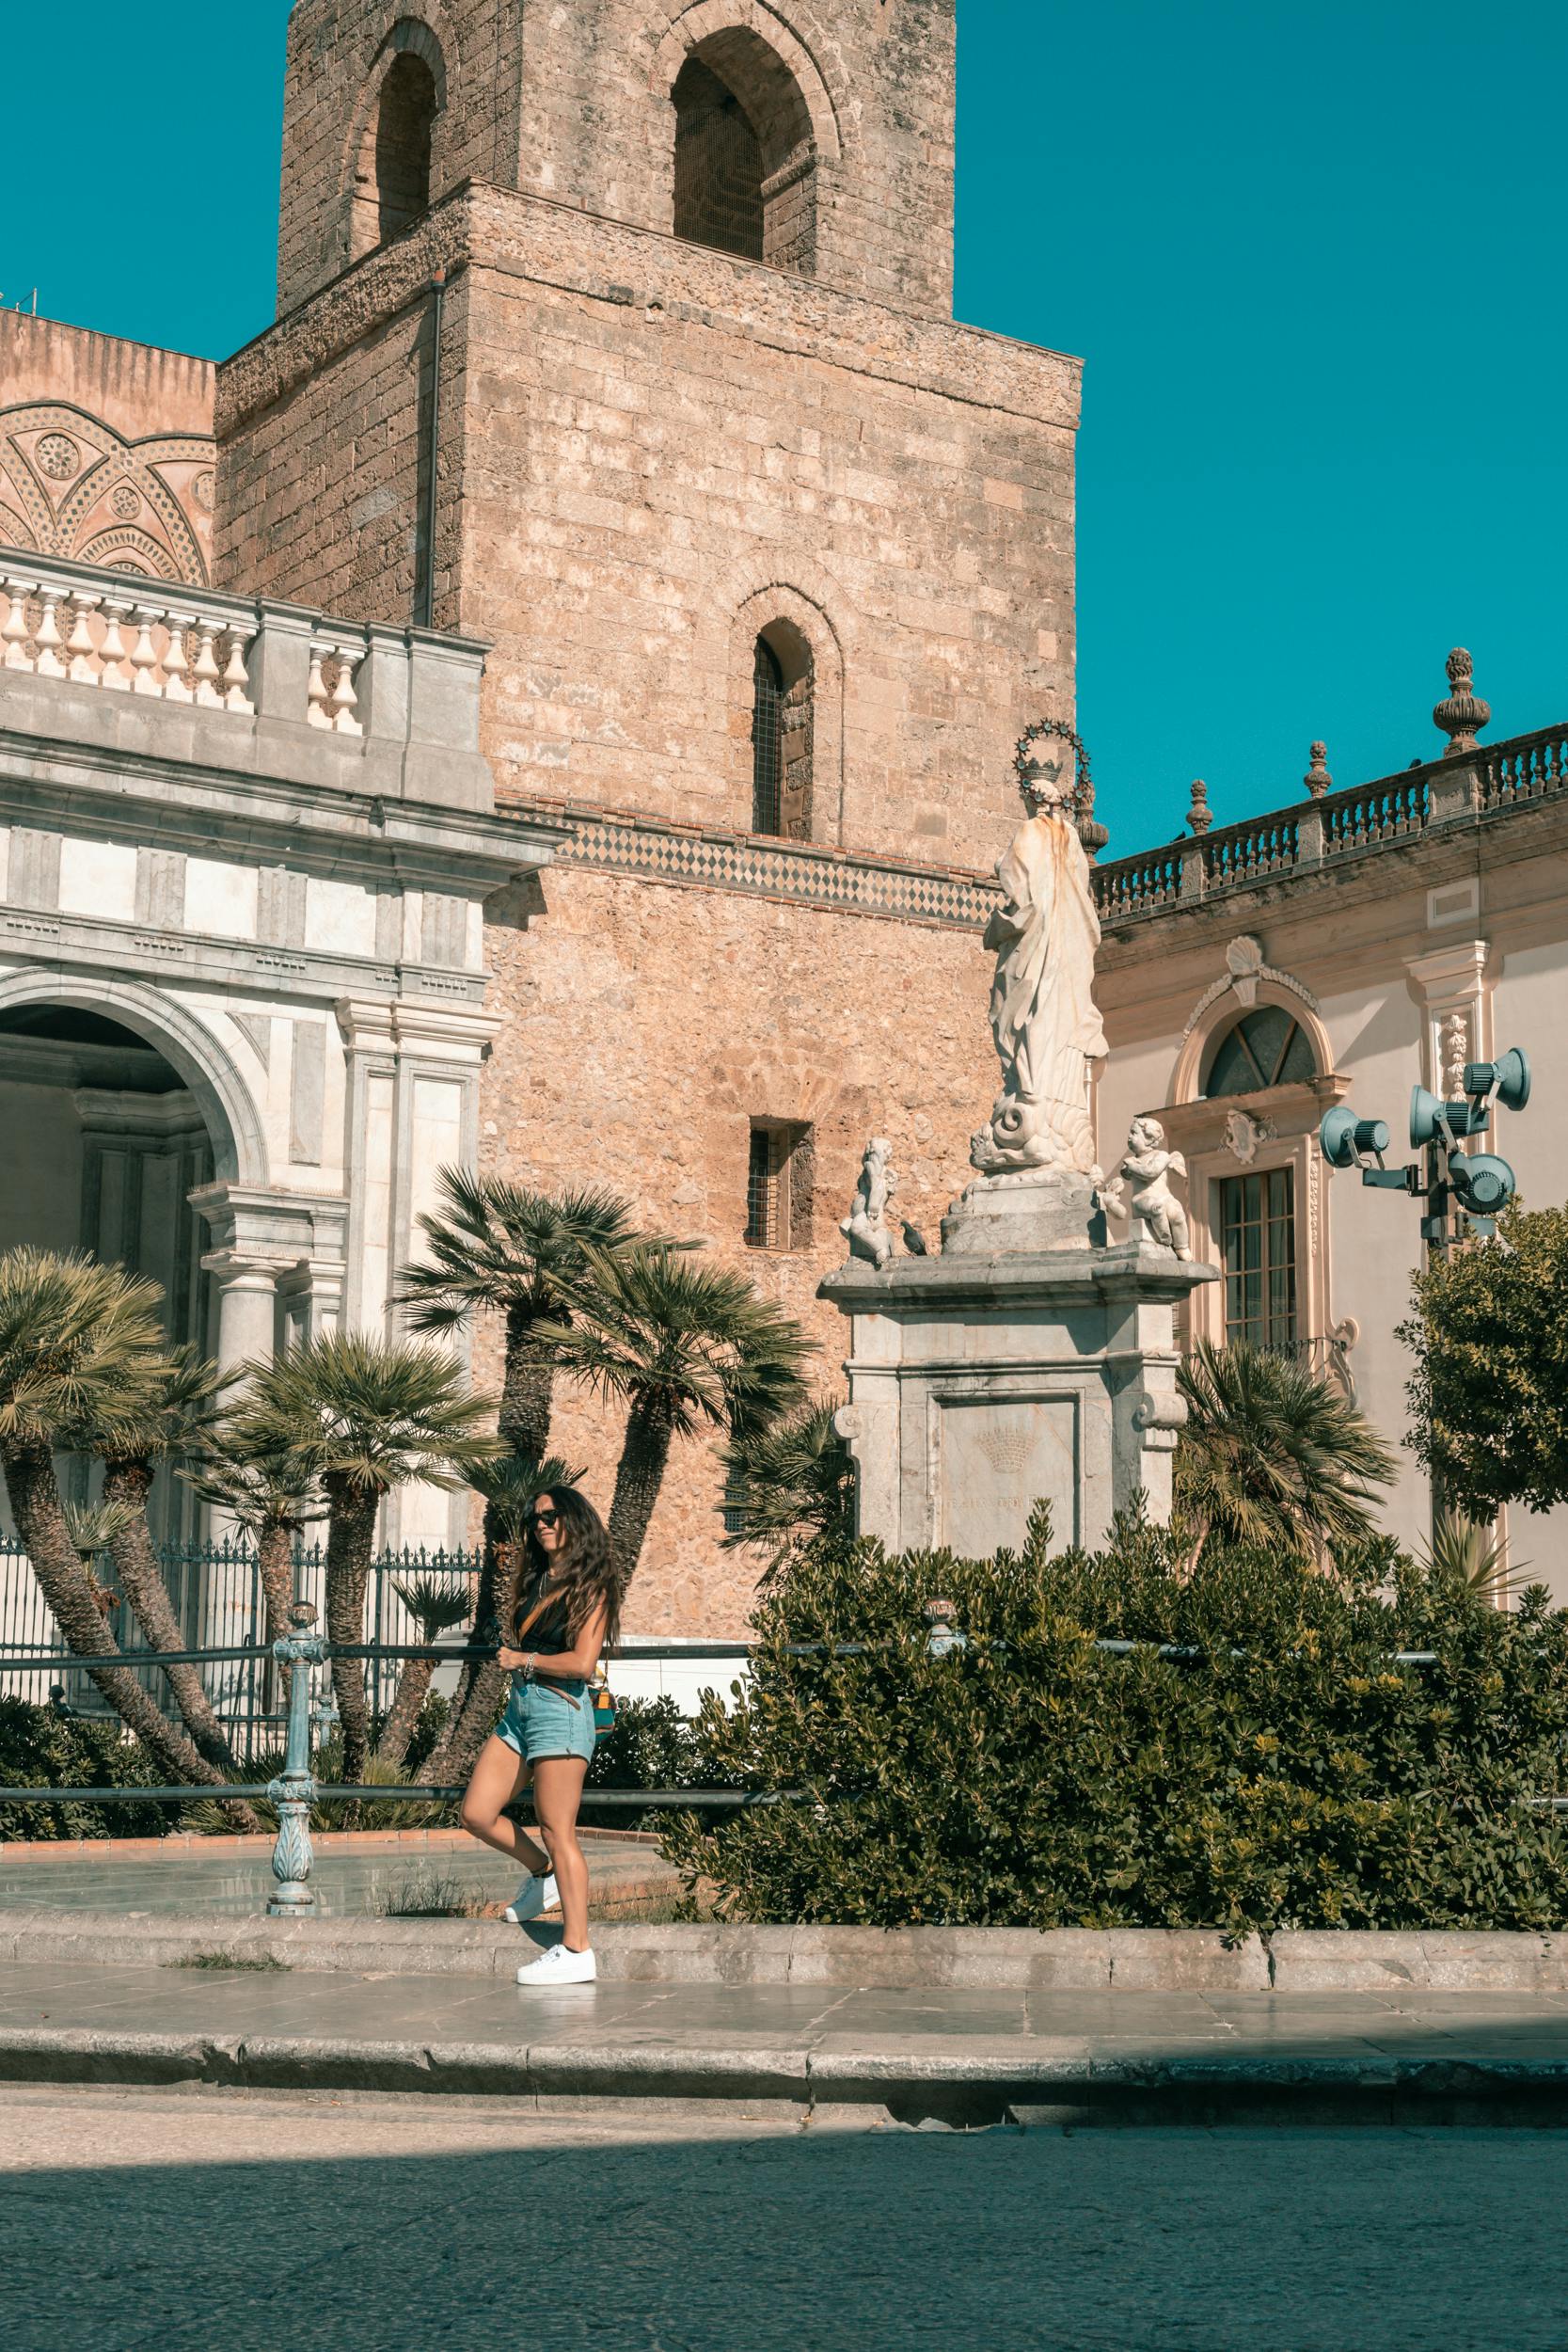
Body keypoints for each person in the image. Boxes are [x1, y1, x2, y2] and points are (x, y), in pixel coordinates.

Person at [458, 1486, 622, 1986]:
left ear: (576, 1519)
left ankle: (576, 1949)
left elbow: (582, 1663)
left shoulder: (592, 1584)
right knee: (476, 1813)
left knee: (557, 1829)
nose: (542, 1524)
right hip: (521, 1708)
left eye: (551, 1516)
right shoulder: (537, 1578)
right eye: (535, 1518)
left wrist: (523, 1659)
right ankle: (543, 1876)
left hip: (561, 1709)